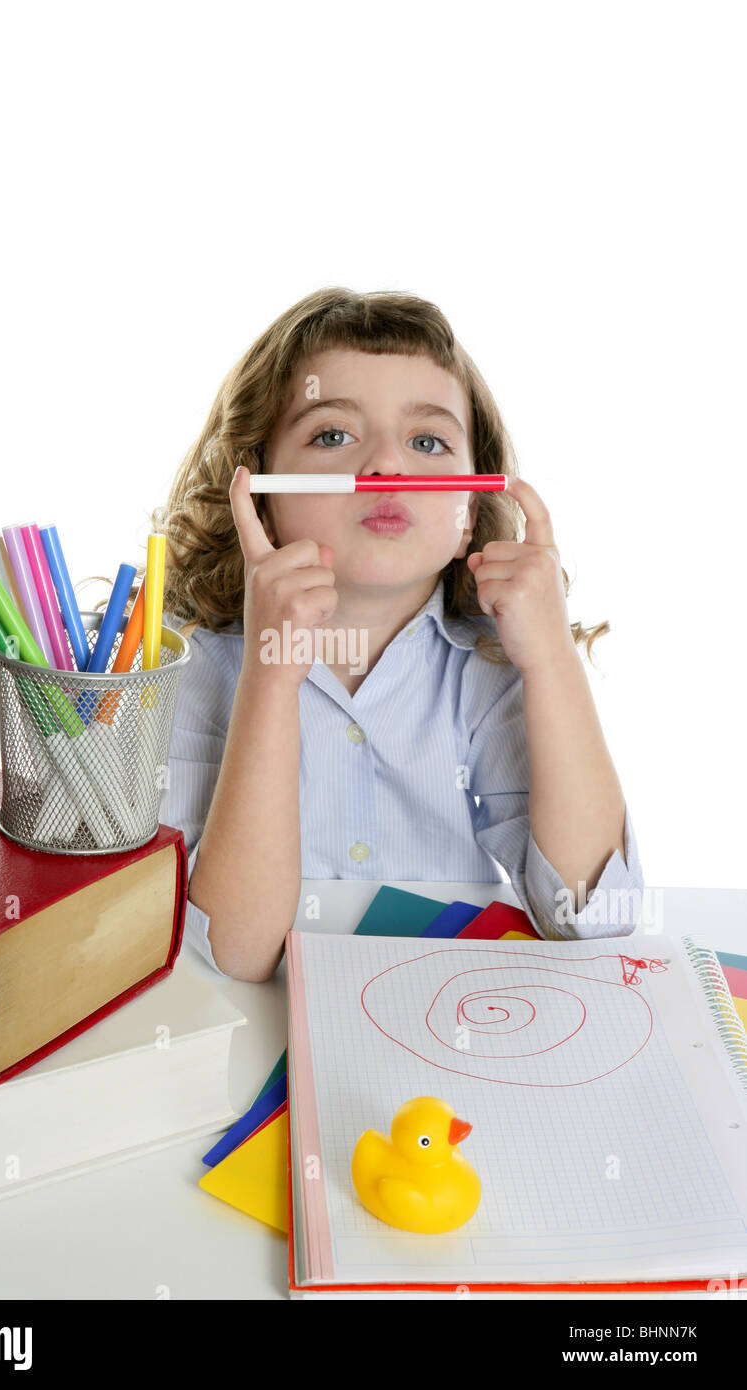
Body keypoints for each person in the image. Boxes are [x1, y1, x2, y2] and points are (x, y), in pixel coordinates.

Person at [154, 287, 643, 981]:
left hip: (451, 1027)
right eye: (332, 435)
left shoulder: (491, 662)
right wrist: (272, 672)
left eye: (427, 441)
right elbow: (239, 952)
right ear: (259, 491)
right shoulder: (188, 661)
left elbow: (590, 914)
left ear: (470, 512)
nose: (386, 468)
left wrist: (551, 660)